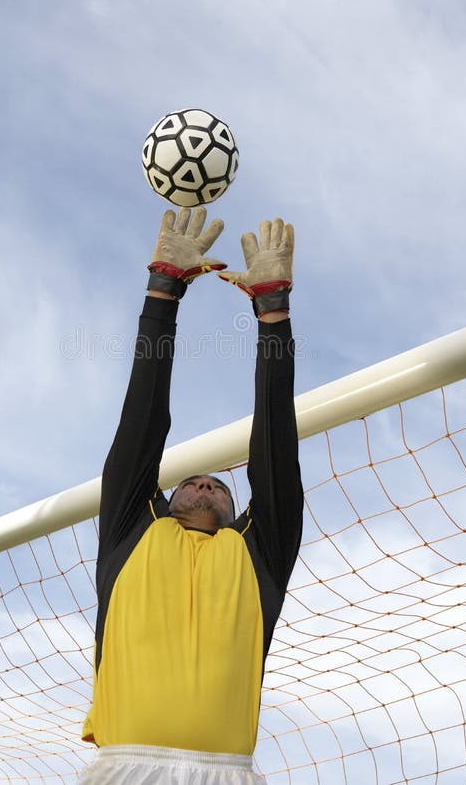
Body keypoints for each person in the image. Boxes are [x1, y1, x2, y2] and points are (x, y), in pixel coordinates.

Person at [79, 207, 303, 784]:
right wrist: (164, 293)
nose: (205, 483)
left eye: (219, 485)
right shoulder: (132, 529)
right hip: (122, 770)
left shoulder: (260, 554)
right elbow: (143, 416)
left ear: (237, 512)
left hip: (227, 773)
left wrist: (272, 315)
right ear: (164, 499)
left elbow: (275, 439)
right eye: (193, 482)